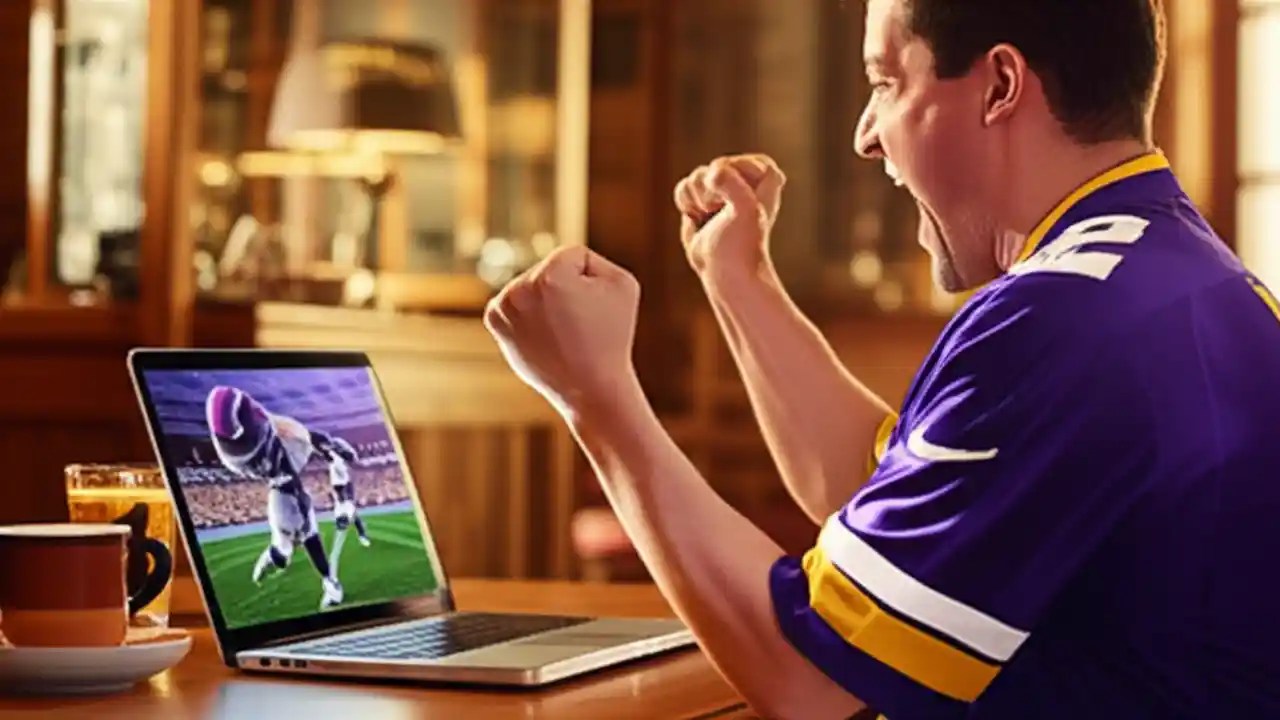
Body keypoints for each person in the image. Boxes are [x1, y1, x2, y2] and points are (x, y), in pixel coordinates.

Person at [483, 0, 1280, 716]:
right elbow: (876, 491)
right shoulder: (1181, 276)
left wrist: (595, 398)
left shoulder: (1061, 315)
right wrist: (738, 280)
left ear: (1000, 85)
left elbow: (812, 682)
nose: (867, 135)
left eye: (886, 82)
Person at [205, 385, 346, 610]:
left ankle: (321, 577)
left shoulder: (253, 435)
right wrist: (324, 445)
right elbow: (286, 438)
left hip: (282, 480)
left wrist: (322, 444)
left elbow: (278, 426)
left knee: (297, 538)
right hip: (282, 485)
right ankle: (313, 574)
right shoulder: (257, 452)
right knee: (297, 539)